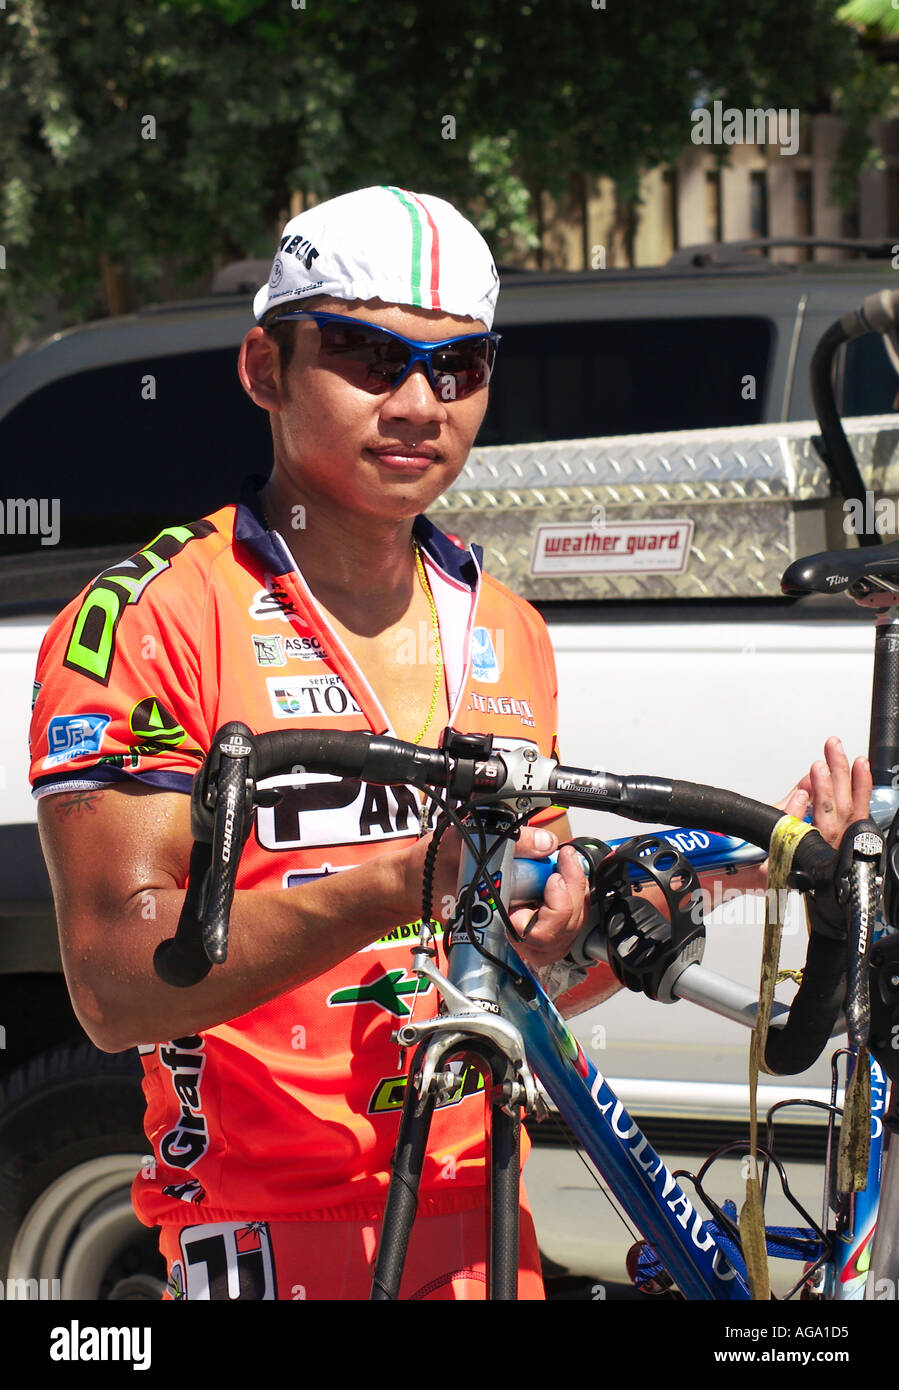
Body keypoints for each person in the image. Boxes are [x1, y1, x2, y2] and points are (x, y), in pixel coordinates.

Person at [29, 186, 871, 1302]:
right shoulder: (150, 620)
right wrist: (401, 880)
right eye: (369, 358)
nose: (419, 401)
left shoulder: (504, 628)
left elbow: (518, 968)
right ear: (263, 370)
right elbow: (113, 986)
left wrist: (643, 911)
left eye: (457, 366)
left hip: (485, 1219)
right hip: (265, 1234)